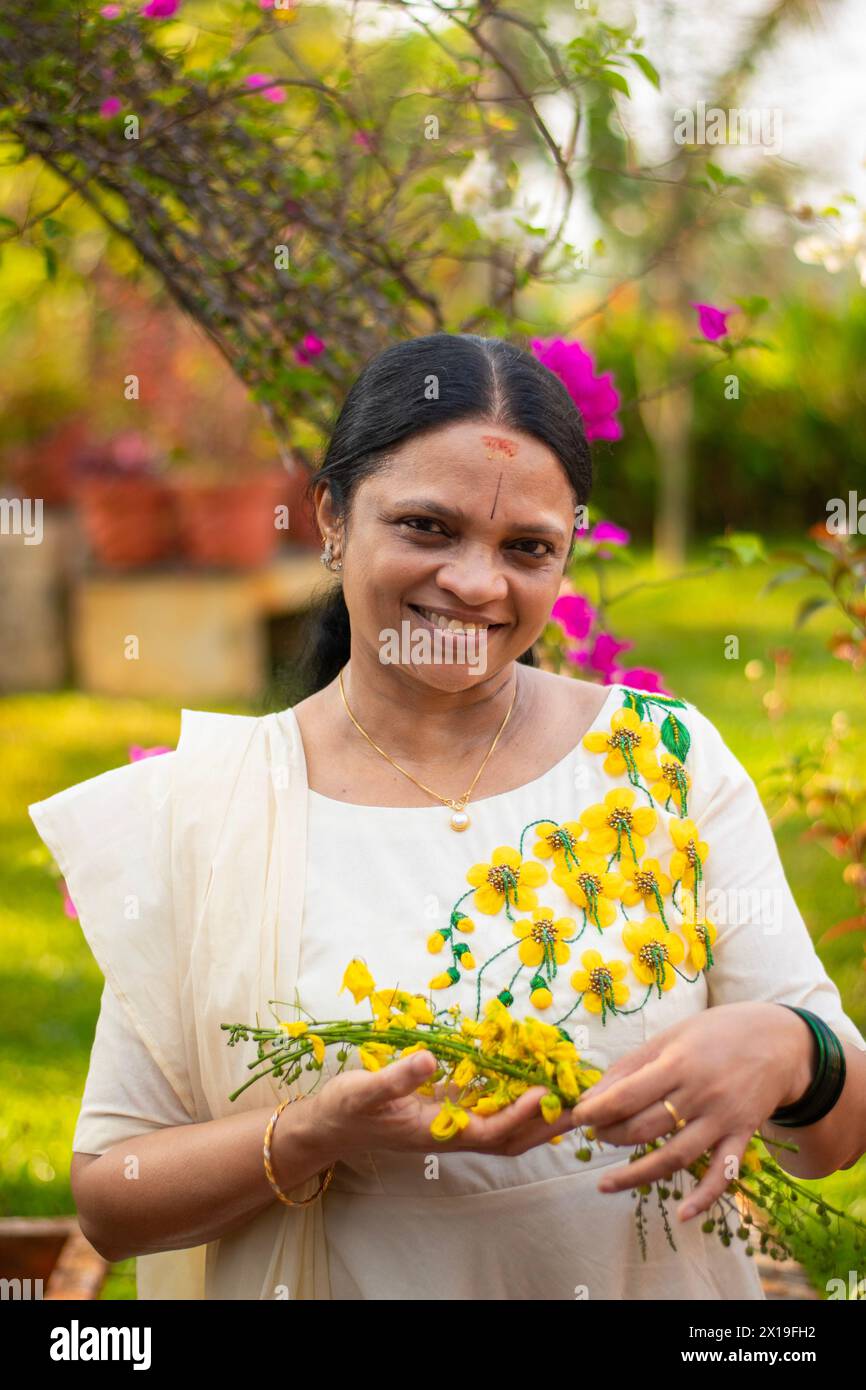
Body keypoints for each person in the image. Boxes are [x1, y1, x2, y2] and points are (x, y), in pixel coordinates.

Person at [29, 333, 866, 1301]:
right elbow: (113, 1196)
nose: (475, 583)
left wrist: (787, 1051)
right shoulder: (213, 805)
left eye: (526, 548)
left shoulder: (661, 765)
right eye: (428, 527)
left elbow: (833, 1139)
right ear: (331, 517)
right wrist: (314, 1133)